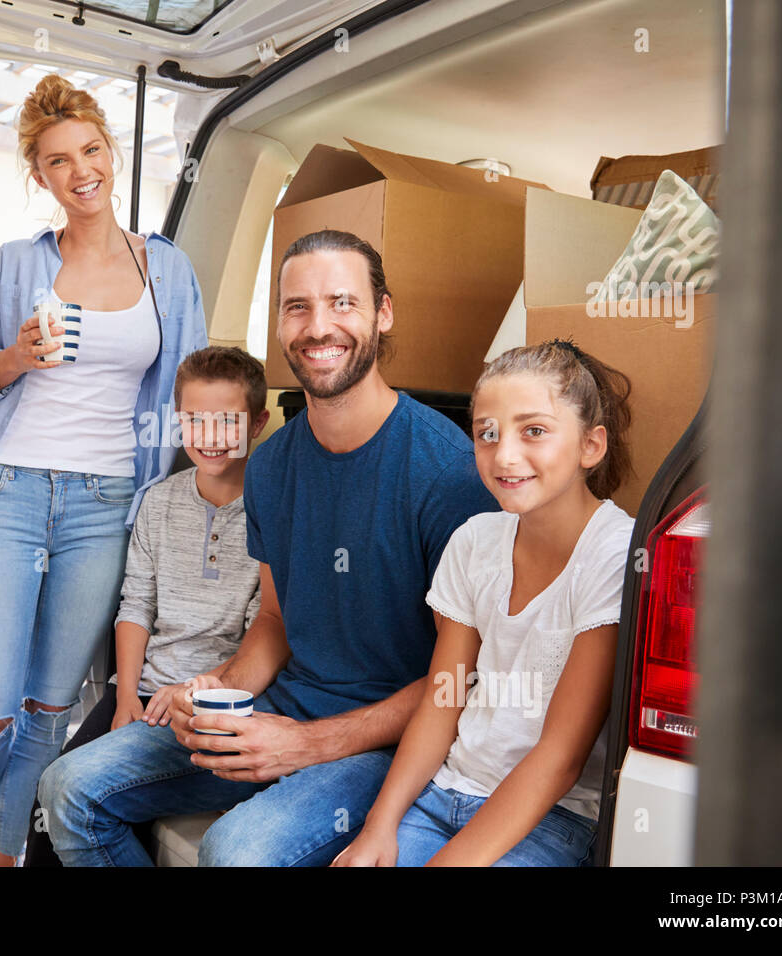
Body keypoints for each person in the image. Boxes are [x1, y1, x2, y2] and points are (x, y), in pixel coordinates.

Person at [39, 229, 499, 866]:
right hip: (282, 707)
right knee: (68, 791)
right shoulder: (274, 465)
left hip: (391, 742)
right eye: (297, 306)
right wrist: (216, 691)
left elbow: (464, 680)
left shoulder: (448, 474)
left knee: (236, 852)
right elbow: (277, 623)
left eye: (342, 303)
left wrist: (306, 745)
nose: (319, 326)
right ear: (280, 324)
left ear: (383, 312)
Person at [0, 74, 208, 866]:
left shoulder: (167, 271)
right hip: (6, 495)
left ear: (109, 154)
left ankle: (0, 852)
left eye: (90, 151)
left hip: (108, 503)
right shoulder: (16, 264)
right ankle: (5, 823)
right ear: (39, 176)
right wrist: (13, 357)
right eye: (57, 160)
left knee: (49, 708)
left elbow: (192, 386)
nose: (80, 171)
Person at [332, 339, 635, 867]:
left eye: (533, 431)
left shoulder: (615, 554)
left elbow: (561, 759)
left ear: (591, 445)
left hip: (553, 820)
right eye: (487, 434)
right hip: (445, 794)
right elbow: (443, 698)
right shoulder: (474, 540)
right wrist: (378, 829)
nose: (505, 455)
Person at [23, 347, 271, 866]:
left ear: (258, 422)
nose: (209, 434)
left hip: (213, 705)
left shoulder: (272, 512)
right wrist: (127, 696)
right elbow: (135, 604)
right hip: (142, 691)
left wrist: (197, 690)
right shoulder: (159, 502)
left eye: (228, 420)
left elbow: (261, 636)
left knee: (89, 800)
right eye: (195, 420)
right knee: (44, 809)